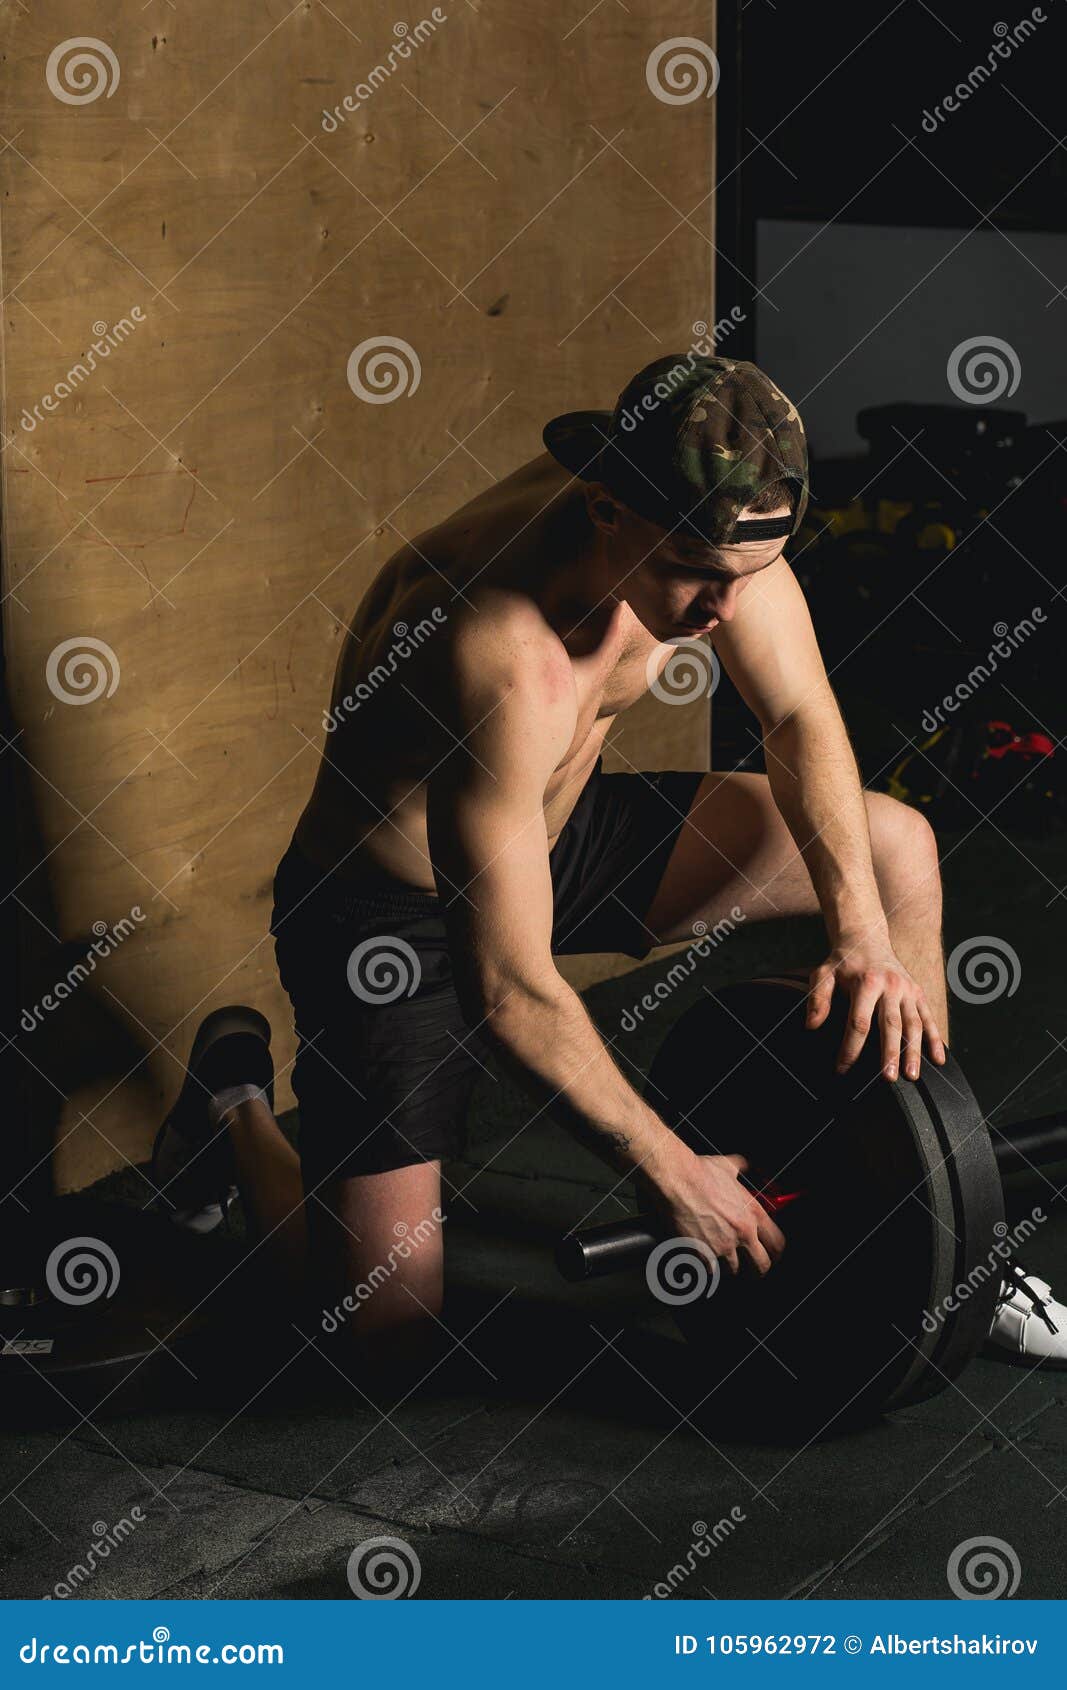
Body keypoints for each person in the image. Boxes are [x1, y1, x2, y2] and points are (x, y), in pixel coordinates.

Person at [152, 354, 1066, 1379]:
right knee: (381, 1326)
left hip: (556, 835)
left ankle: (946, 1232)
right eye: (695, 572)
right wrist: (671, 1169)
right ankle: (231, 1111)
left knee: (893, 849)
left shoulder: (718, 532)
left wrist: (858, 940)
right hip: (389, 912)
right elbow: (507, 984)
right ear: (605, 508)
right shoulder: (494, 641)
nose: (722, 611)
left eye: (746, 575)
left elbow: (800, 716)